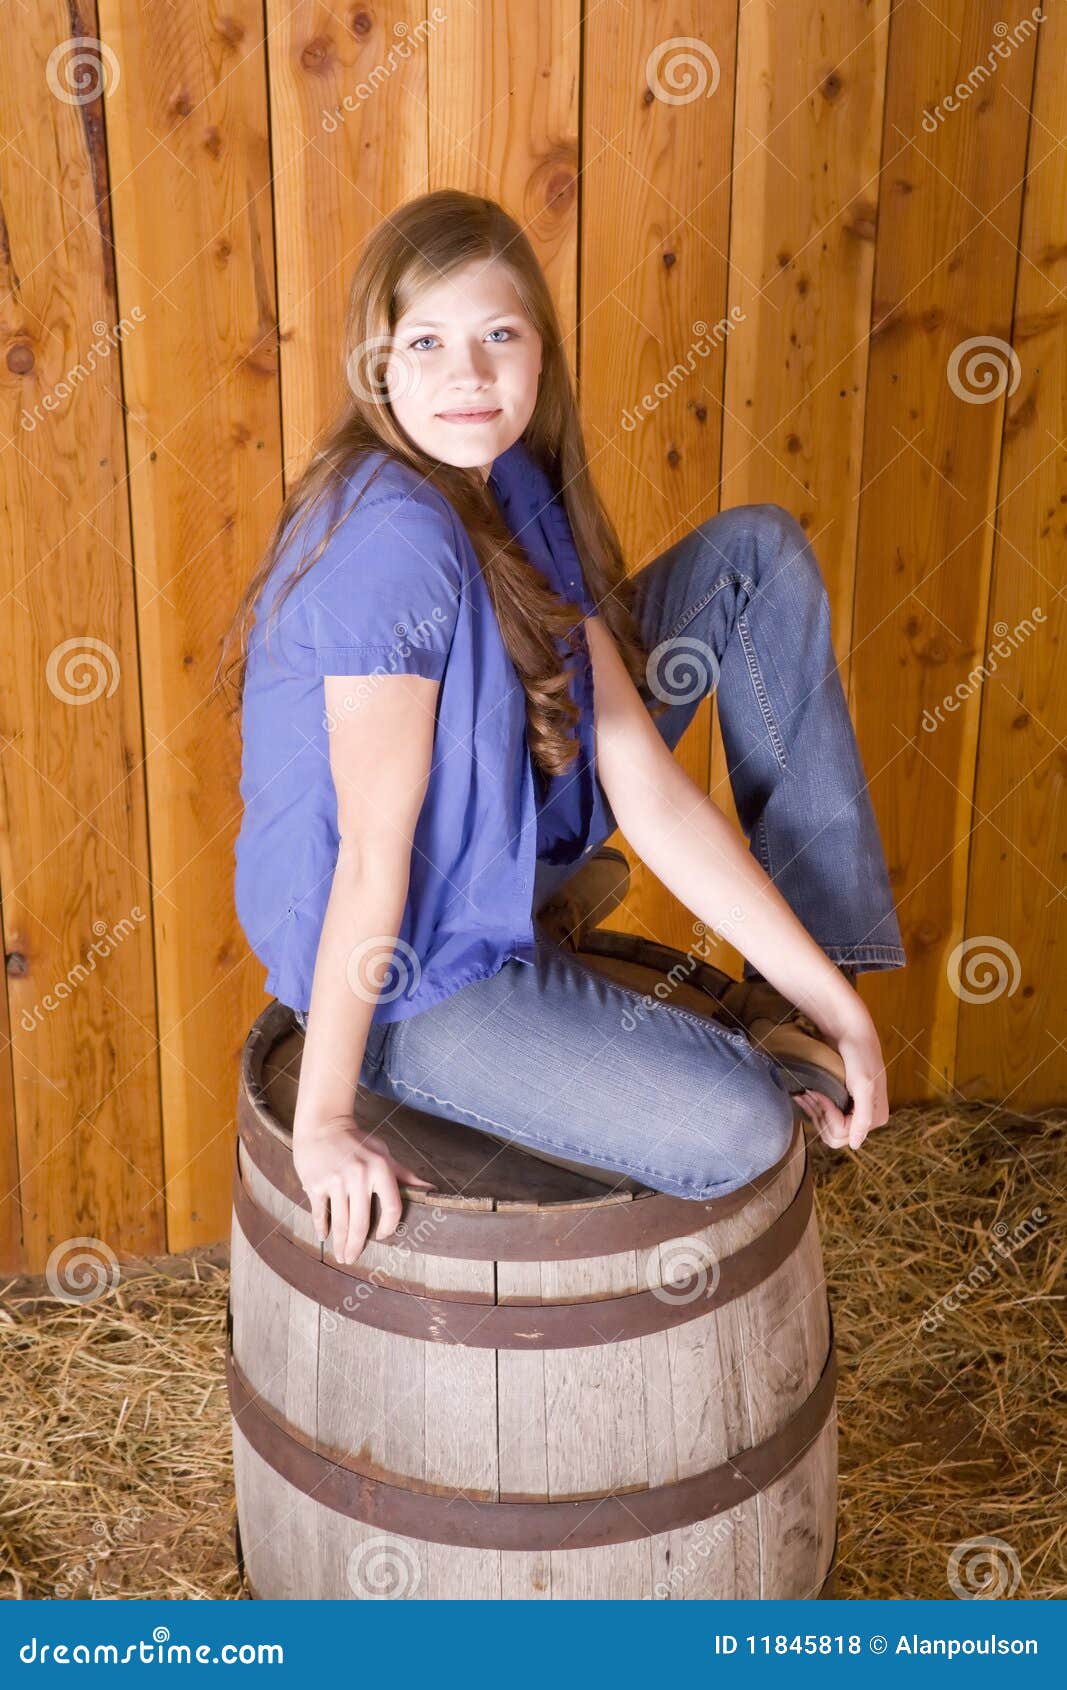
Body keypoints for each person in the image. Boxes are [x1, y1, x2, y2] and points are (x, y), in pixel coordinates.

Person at [217, 189, 906, 1266]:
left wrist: (830, 996)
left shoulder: (512, 478)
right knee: (739, 1127)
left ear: (541, 349)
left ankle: (788, 1004)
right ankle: (517, 958)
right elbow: (369, 855)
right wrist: (326, 1120)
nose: (468, 374)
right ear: (376, 363)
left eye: (499, 335)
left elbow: (642, 782)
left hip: (492, 821)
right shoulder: (392, 542)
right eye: (427, 342)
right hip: (405, 968)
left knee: (754, 557)